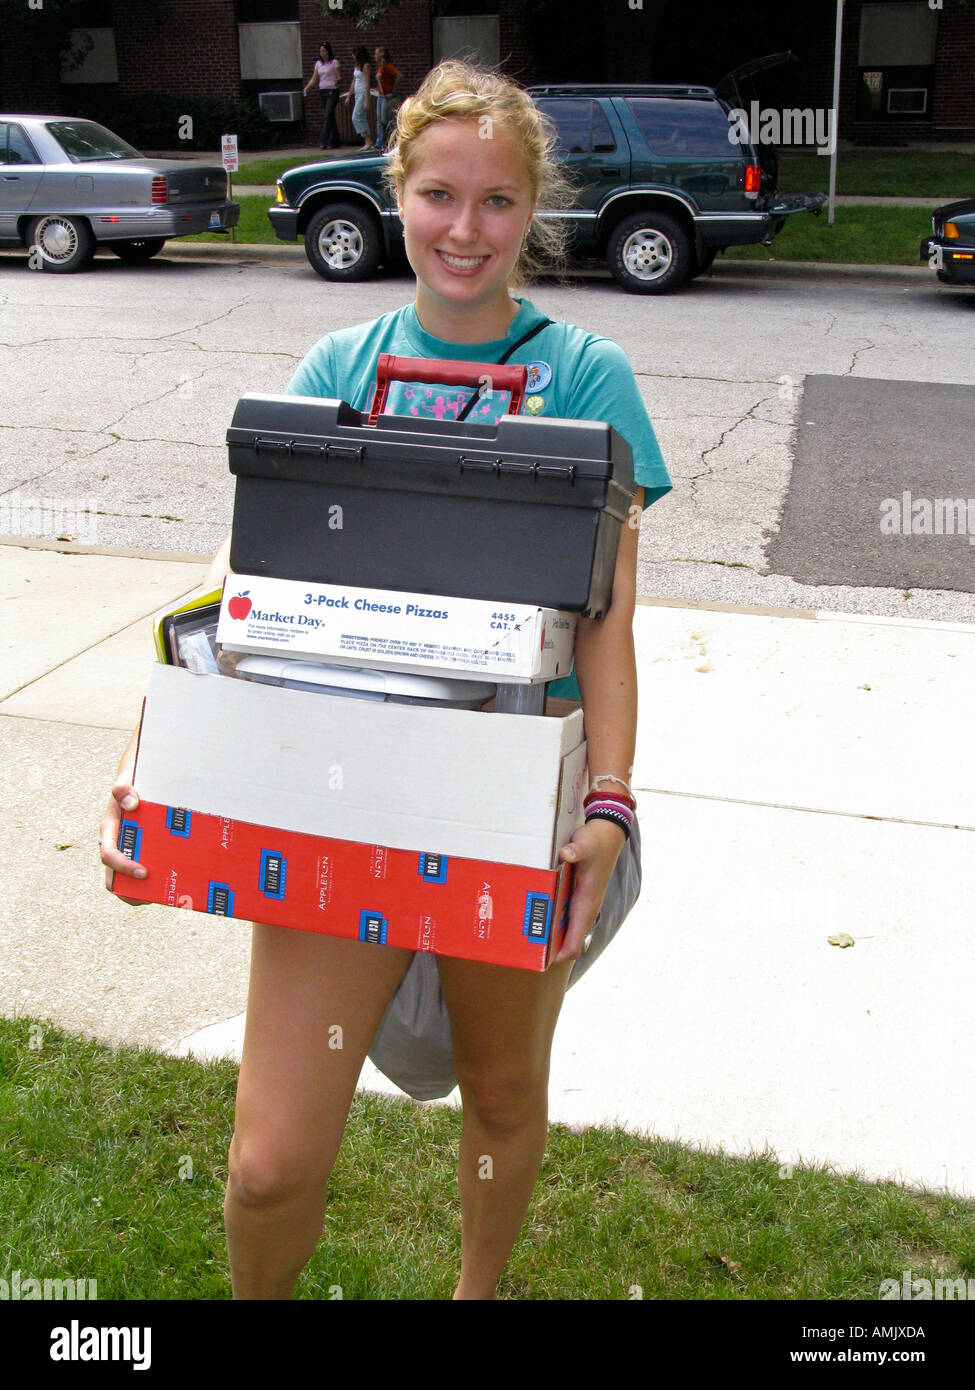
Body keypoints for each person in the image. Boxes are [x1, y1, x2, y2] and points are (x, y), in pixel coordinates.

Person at [101, 59, 672, 1301]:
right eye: (437, 194)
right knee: (267, 1162)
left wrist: (610, 804)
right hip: (339, 798)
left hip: (513, 797)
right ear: (394, 192)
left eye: (499, 200)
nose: (465, 229)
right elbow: (233, 603)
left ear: (536, 210)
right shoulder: (335, 369)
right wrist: (153, 770)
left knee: (505, 1094)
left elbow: (609, 628)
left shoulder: (587, 378)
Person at [303, 41, 342, 150]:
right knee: (330, 117)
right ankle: (336, 140)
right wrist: (307, 88)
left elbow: (339, 76)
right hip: (323, 91)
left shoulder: (334, 63)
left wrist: (337, 80)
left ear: (329, 51)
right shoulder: (318, 64)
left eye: (324, 51)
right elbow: (314, 78)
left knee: (327, 115)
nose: (323, 53)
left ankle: (323, 140)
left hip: (332, 91)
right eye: (321, 51)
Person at [341, 46, 376, 150]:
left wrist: (366, 99)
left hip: (363, 93)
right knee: (361, 117)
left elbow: (367, 82)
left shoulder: (366, 66)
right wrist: (349, 95)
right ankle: (368, 141)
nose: (352, 56)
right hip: (357, 94)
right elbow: (354, 81)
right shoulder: (356, 66)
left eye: (354, 54)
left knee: (355, 117)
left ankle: (368, 139)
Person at [373, 45, 401, 150]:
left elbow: (399, 75)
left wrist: (393, 88)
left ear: (382, 55)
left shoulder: (388, 67)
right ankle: (380, 141)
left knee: (386, 119)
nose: (375, 56)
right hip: (380, 95)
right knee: (379, 119)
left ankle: (395, 137)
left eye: (377, 53)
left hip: (387, 96)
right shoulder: (380, 67)